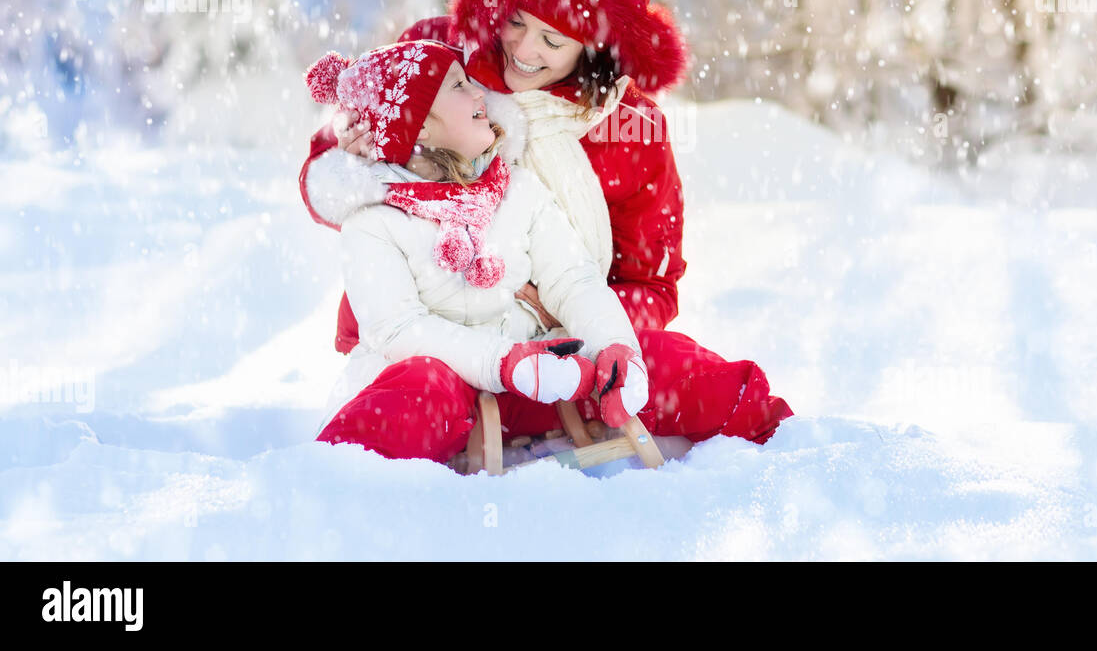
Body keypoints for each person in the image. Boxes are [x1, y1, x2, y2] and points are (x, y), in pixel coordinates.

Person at [306, 40, 790, 461]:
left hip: (541, 382)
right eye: (457, 86)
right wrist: (504, 361)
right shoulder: (373, 222)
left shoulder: (516, 189)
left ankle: (780, 435)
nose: (480, 93)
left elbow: (572, 279)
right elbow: (398, 329)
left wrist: (614, 349)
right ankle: (330, 482)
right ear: (420, 128)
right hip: (453, 387)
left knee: (665, 357)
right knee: (415, 389)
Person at [300, 0, 687, 354]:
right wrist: (350, 155)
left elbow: (654, 285)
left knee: (682, 365)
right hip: (415, 345)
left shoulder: (630, 129)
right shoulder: (439, 58)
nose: (524, 50)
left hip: (561, 355)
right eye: (518, 21)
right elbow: (328, 178)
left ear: (595, 50)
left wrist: (569, 314)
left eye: (553, 40)